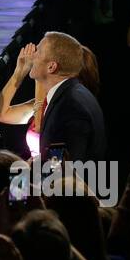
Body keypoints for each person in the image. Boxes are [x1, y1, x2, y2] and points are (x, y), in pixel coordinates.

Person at [25, 32, 107, 162]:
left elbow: (68, 171)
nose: (31, 57)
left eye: (38, 52)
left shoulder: (72, 107)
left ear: (51, 67)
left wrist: (31, 171)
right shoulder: (70, 95)